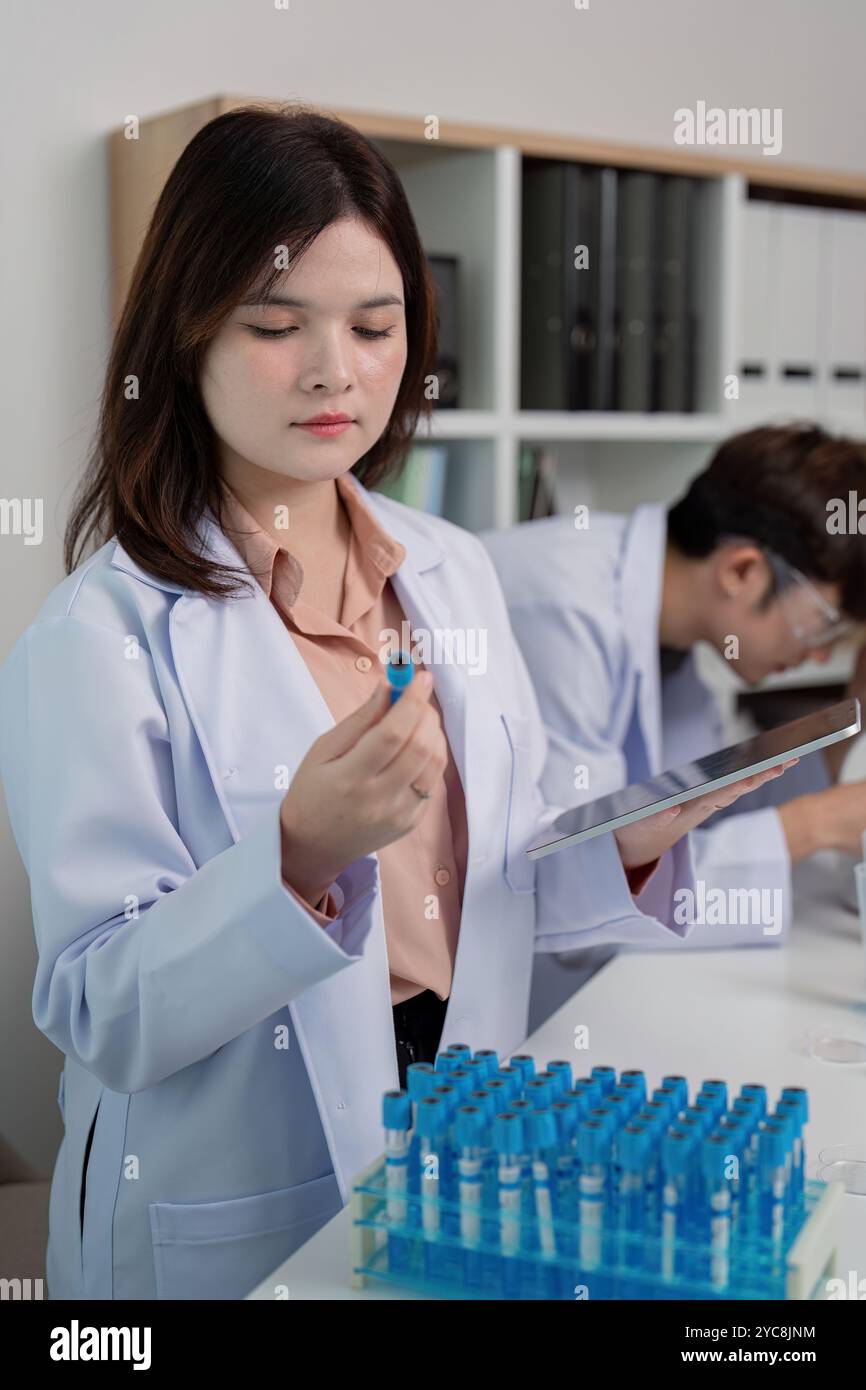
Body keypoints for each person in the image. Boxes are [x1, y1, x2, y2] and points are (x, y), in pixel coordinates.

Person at [0, 106, 787, 1301]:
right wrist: (297, 856)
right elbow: (97, 1008)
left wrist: (619, 843)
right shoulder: (98, 636)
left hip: (451, 1110)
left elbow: (500, 857)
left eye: (375, 326)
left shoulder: (446, 566)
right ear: (184, 336)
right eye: (277, 325)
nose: (335, 371)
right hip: (233, 1183)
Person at [483, 423, 866, 981]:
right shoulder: (565, 612)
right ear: (742, 570)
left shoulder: (676, 638)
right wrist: (817, 824)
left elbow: (710, 818)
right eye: (824, 628)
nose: (817, 658)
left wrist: (855, 713)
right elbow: (577, 878)